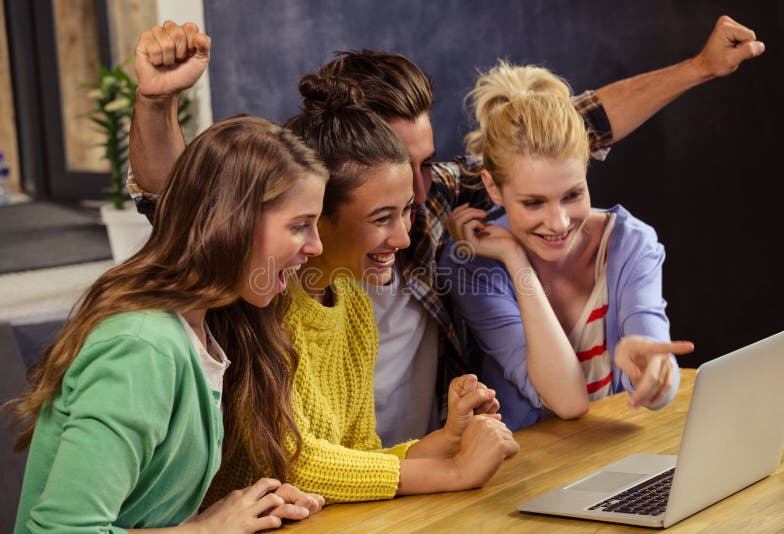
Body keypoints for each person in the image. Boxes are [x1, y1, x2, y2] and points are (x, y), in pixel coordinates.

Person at [128, 16, 763, 445]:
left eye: (424, 164)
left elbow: (556, 130)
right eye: (392, 185)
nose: (418, 192)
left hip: (417, 459)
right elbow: (182, 204)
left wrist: (701, 68)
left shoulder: (432, 202)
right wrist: (157, 103)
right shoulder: (284, 242)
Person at [131, 49, 518, 506]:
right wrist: (453, 470)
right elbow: (296, 462)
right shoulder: (260, 300)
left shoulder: (352, 306)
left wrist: (448, 438)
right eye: (381, 218)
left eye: (407, 213)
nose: (402, 237)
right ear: (319, 211)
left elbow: (358, 458)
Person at [7, 116, 327, 532]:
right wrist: (205, 530)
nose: (316, 247)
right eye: (300, 225)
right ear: (233, 222)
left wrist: (247, 507)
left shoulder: (198, 330)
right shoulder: (143, 346)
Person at [440, 62, 696, 431]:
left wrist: (655, 377)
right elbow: (567, 400)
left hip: (619, 454)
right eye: (533, 203)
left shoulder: (630, 242)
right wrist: (516, 261)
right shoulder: (472, 265)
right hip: (528, 471)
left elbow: (656, 363)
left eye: (573, 194)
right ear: (493, 188)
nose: (559, 223)